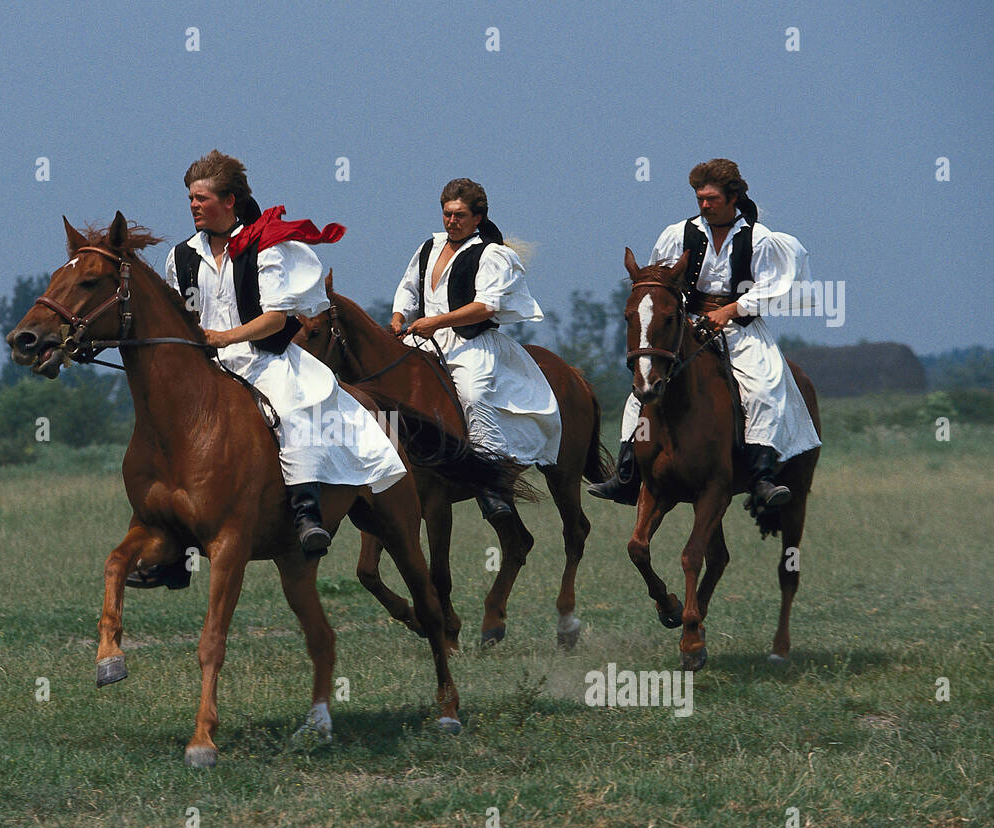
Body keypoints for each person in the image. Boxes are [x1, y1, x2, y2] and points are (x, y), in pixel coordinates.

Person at [126, 150, 406, 588]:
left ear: (230, 201)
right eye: (190, 198)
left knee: (295, 409)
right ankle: (174, 547)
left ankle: (306, 511)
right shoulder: (180, 257)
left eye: (202, 198)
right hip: (207, 367)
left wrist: (223, 337)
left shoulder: (266, 247)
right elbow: (179, 316)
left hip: (264, 359)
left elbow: (276, 318)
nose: (194, 205)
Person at [588, 158, 822, 508]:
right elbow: (661, 281)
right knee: (641, 391)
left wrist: (731, 309)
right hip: (688, 327)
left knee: (763, 389)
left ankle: (761, 477)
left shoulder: (760, 239)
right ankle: (626, 475)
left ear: (733, 197)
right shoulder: (677, 234)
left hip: (742, 329)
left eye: (711, 198)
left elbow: (774, 286)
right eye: (700, 198)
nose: (704, 205)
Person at [390, 178, 561, 520]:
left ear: (477, 218)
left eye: (460, 215)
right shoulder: (429, 247)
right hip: (422, 338)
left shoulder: (492, 254)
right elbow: (409, 289)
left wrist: (435, 322)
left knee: (473, 395)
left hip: (469, 342)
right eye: (447, 214)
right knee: (384, 389)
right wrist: (398, 317)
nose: (452, 221)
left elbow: (486, 306)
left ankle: (490, 483)